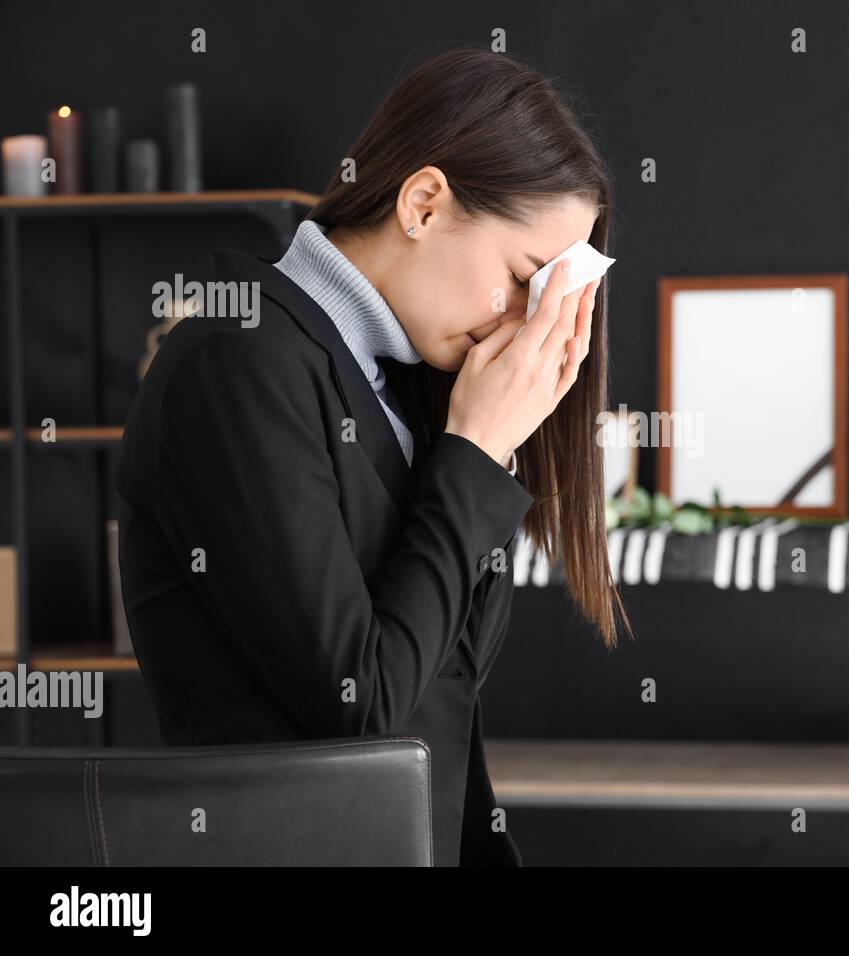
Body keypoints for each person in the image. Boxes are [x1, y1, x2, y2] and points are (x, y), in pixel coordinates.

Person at [114, 47, 632, 866]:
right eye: (523, 278)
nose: (522, 328)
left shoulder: (409, 388)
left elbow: (446, 678)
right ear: (424, 203)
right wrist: (476, 448)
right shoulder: (234, 358)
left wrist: (479, 448)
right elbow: (362, 707)